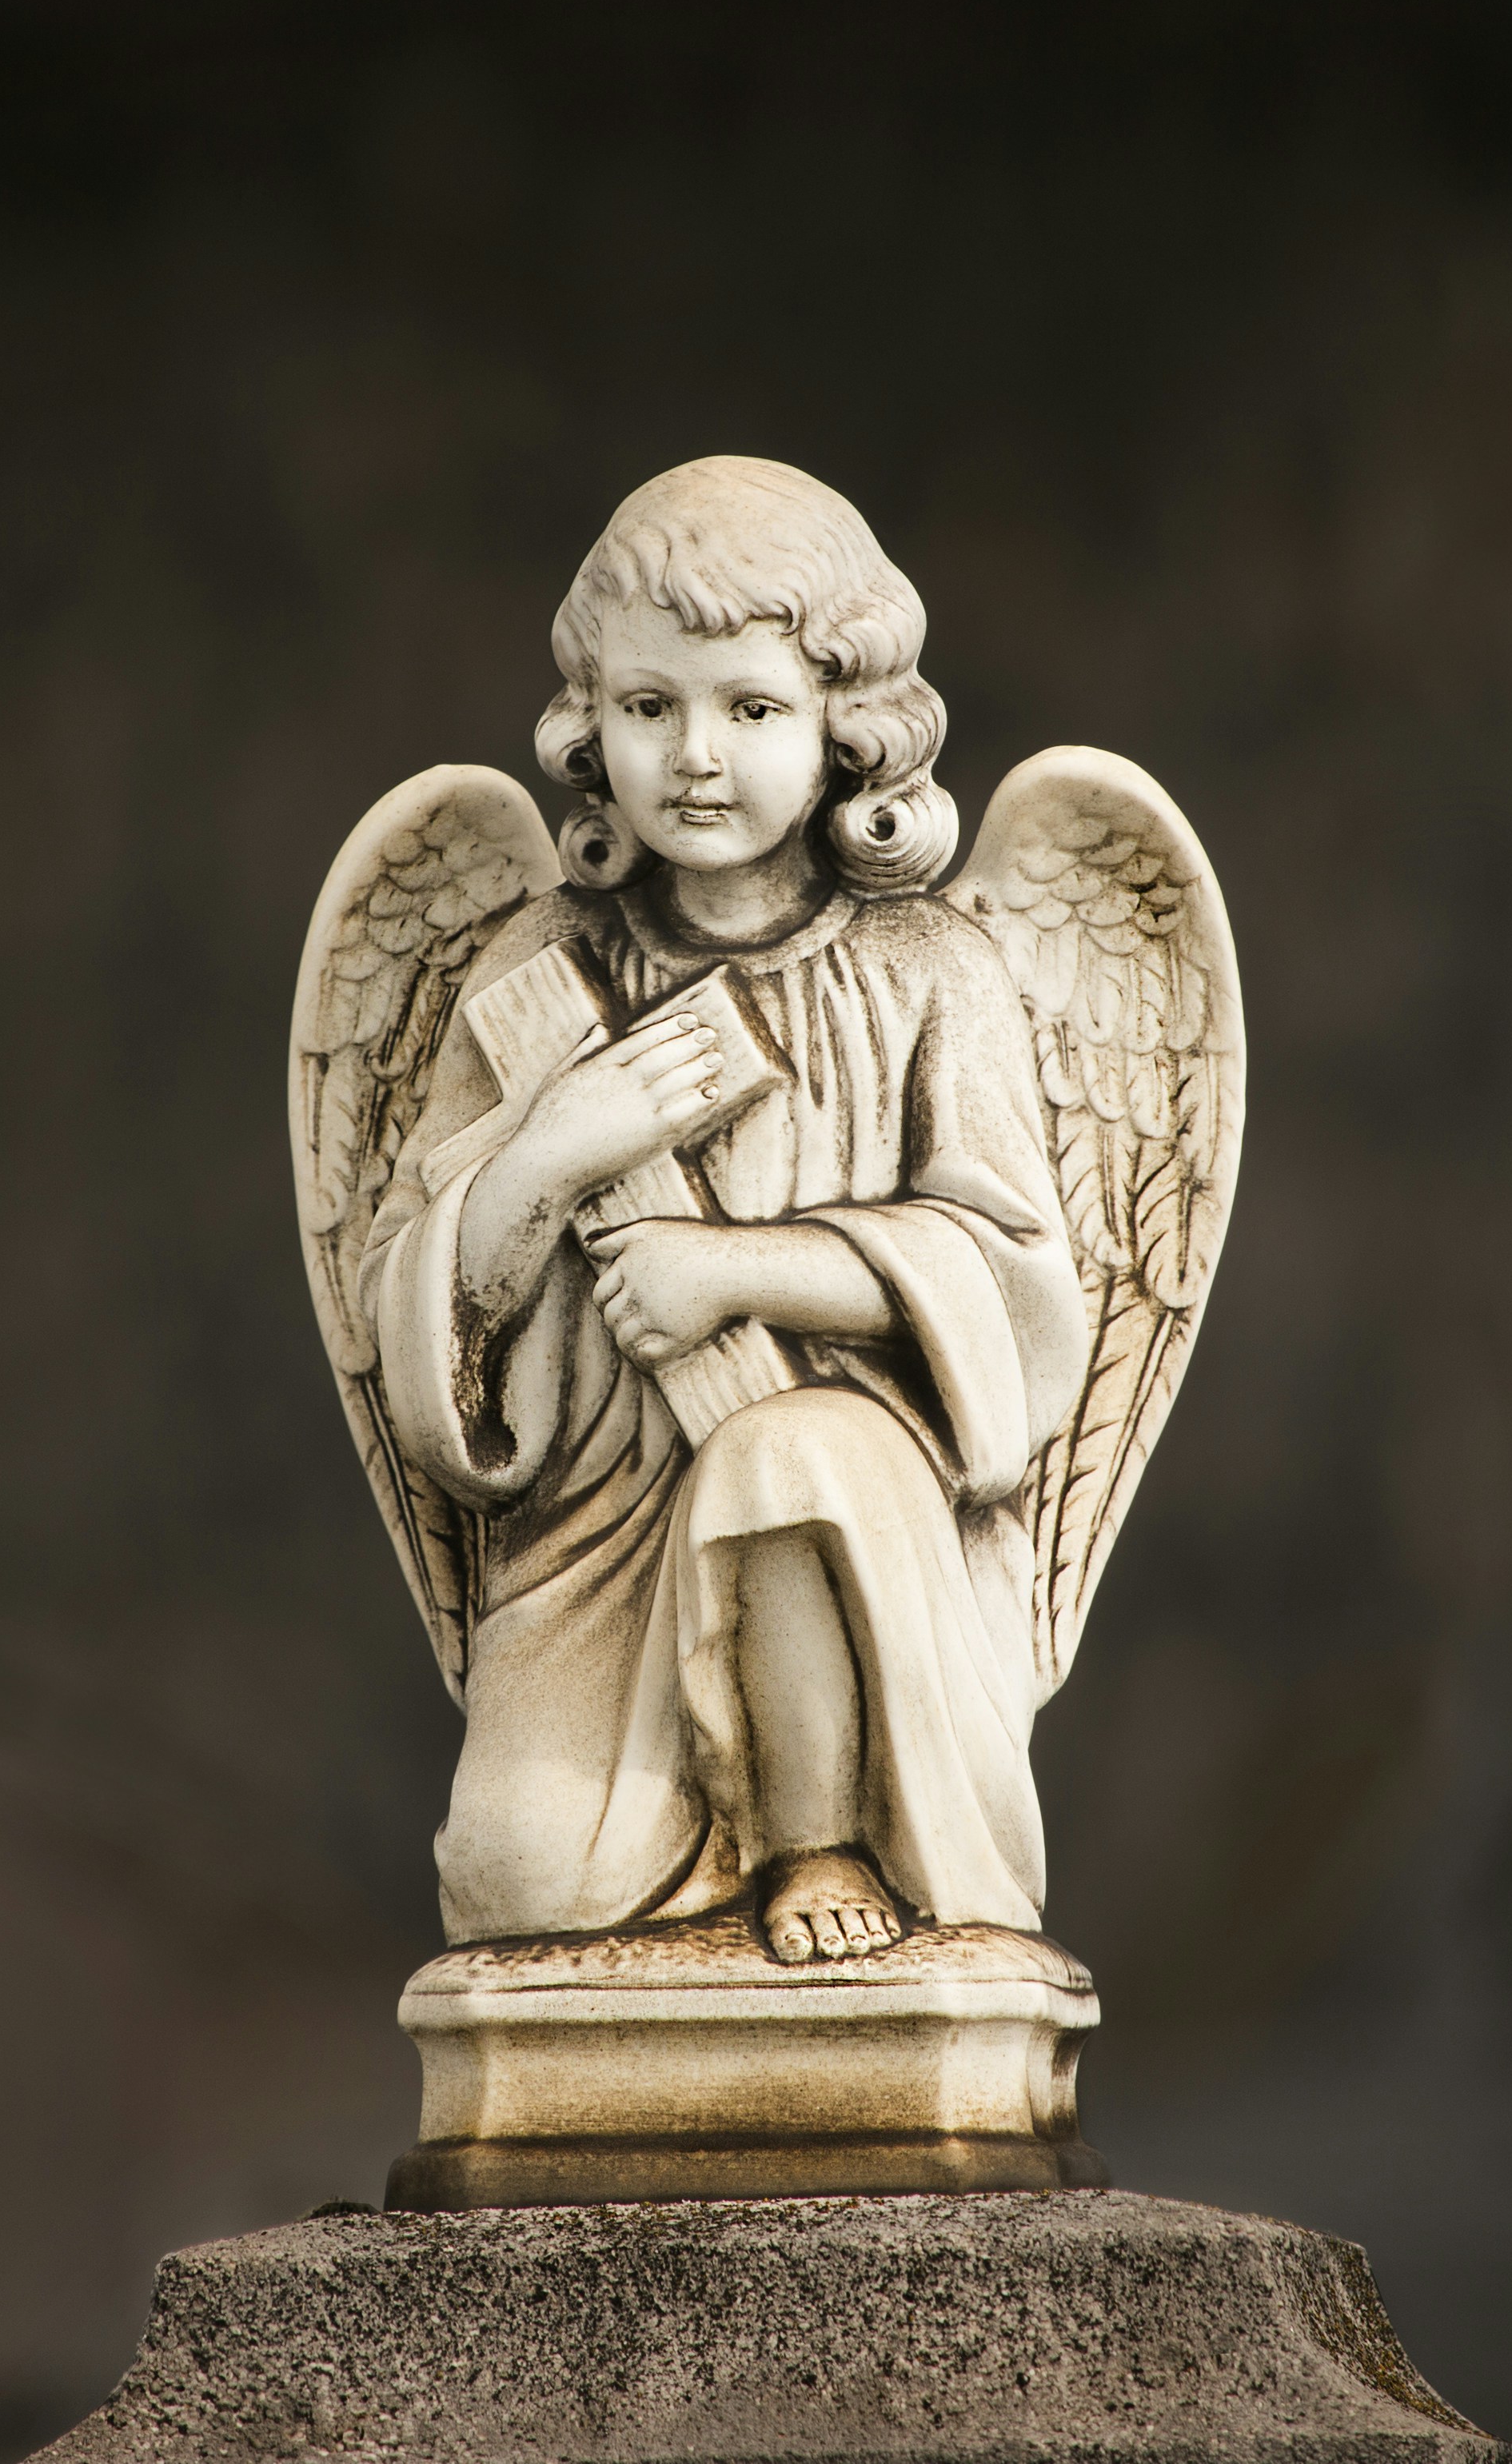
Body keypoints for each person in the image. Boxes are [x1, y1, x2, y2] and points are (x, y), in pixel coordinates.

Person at [353, 457, 1088, 1962]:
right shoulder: (527, 981)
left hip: (856, 1536)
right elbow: (418, 1321)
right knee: (513, 1878)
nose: (695, 757)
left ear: (844, 727)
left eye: (750, 709)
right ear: (590, 724)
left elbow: (1019, 1292)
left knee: (789, 1448)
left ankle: (819, 1837)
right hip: (606, 1519)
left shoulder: (928, 972)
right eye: (648, 708)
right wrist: (558, 1146)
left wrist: (735, 1272)